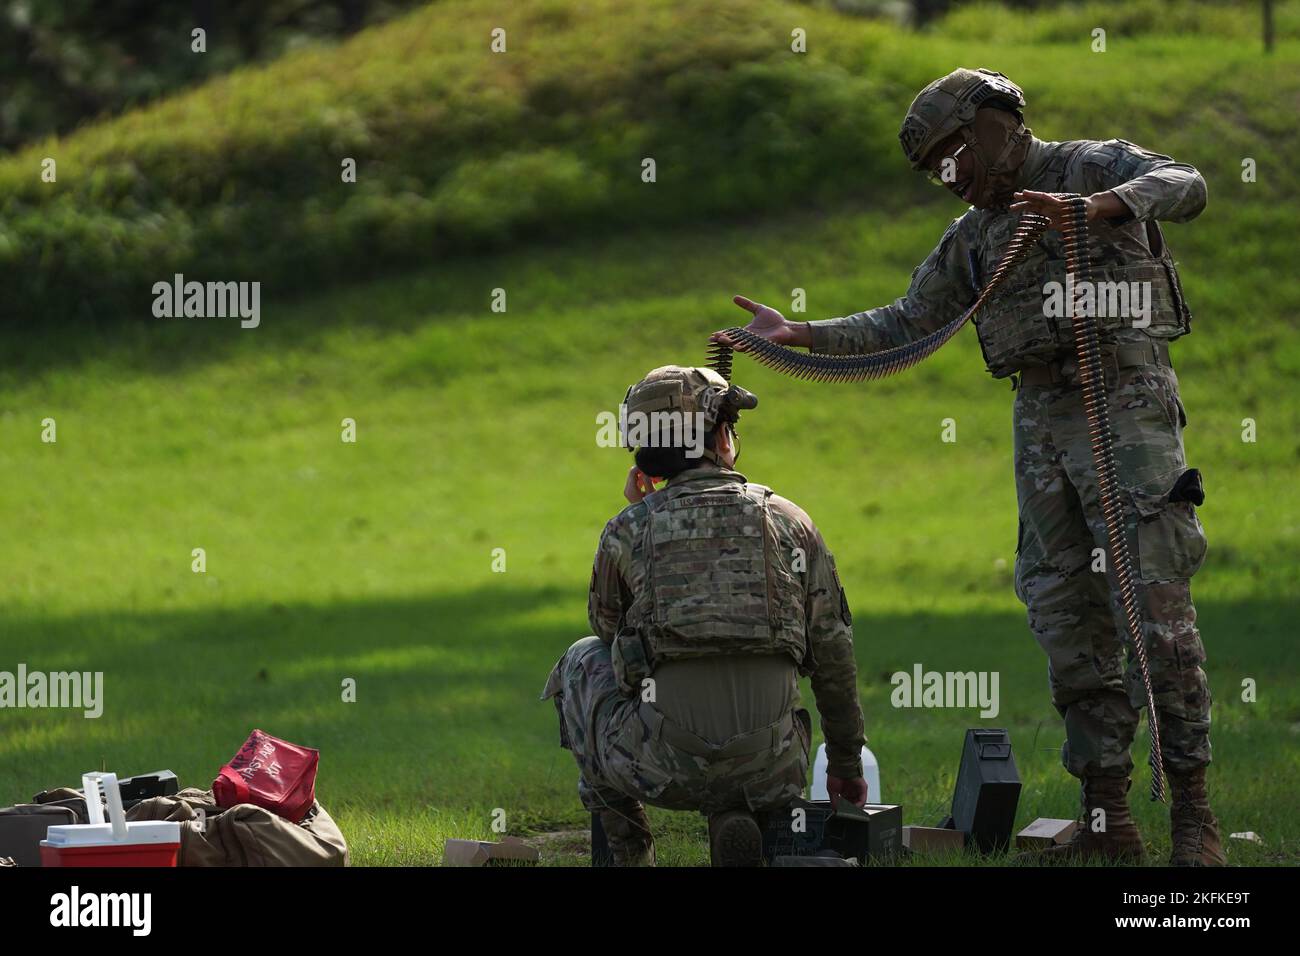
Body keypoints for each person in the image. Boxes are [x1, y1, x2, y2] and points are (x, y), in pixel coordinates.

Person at [719, 68, 1222, 865]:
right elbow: (910, 316)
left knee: (1154, 612)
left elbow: (1185, 182)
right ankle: (1106, 821)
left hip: (1125, 405)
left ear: (993, 126)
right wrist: (802, 334)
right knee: (1066, 619)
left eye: (953, 155)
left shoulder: (1090, 166)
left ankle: (1195, 817)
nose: (949, 179)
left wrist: (1096, 210)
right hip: (1042, 423)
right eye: (935, 171)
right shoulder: (978, 234)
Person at [542, 365, 866, 865]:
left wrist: (640, 516)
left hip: (662, 766)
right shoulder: (790, 521)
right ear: (719, 436)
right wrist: (845, 762)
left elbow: (606, 629)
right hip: (773, 766)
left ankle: (630, 854)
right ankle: (745, 820)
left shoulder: (625, 530)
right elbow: (833, 652)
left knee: (582, 660)